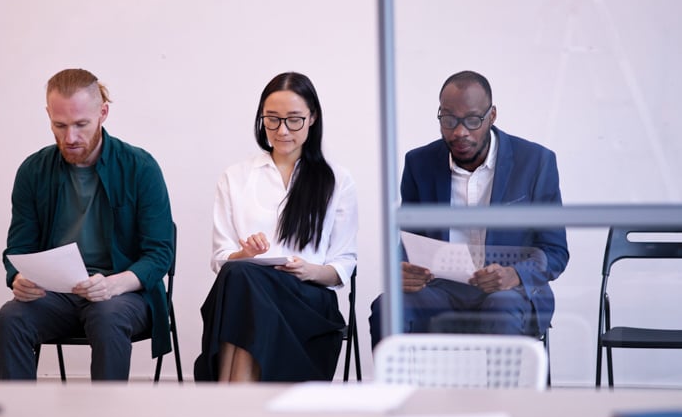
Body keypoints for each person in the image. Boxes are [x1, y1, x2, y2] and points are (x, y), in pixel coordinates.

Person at [0, 68, 174, 380]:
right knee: (10, 319)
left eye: (81, 125)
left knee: (107, 316)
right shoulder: (33, 171)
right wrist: (18, 277)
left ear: (103, 113)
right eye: (59, 125)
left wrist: (114, 284)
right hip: (56, 295)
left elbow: (160, 254)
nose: (70, 138)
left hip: (123, 294)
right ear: (48, 115)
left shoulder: (140, 167)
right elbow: (19, 248)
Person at [369, 70, 569, 349]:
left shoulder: (536, 162)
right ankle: (407, 393)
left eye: (472, 120)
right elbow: (408, 240)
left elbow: (555, 252)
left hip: (511, 290)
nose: (459, 131)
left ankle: (504, 395)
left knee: (501, 308)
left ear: (492, 116)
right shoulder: (420, 163)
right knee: (388, 308)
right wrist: (403, 268)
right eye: (449, 119)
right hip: (442, 290)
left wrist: (515, 275)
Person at [194, 72, 358, 382]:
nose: (282, 131)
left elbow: (343, 263)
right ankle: (240, 402)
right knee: (242, 276)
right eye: (272, 120)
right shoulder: (236, 176)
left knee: (242, 284)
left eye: (294, 120)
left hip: (306, 299)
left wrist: (308, 270)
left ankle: (230, 404)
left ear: (312, 118)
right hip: (245, 295)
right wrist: (244, 252)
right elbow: (221, 258)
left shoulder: (336, 179)